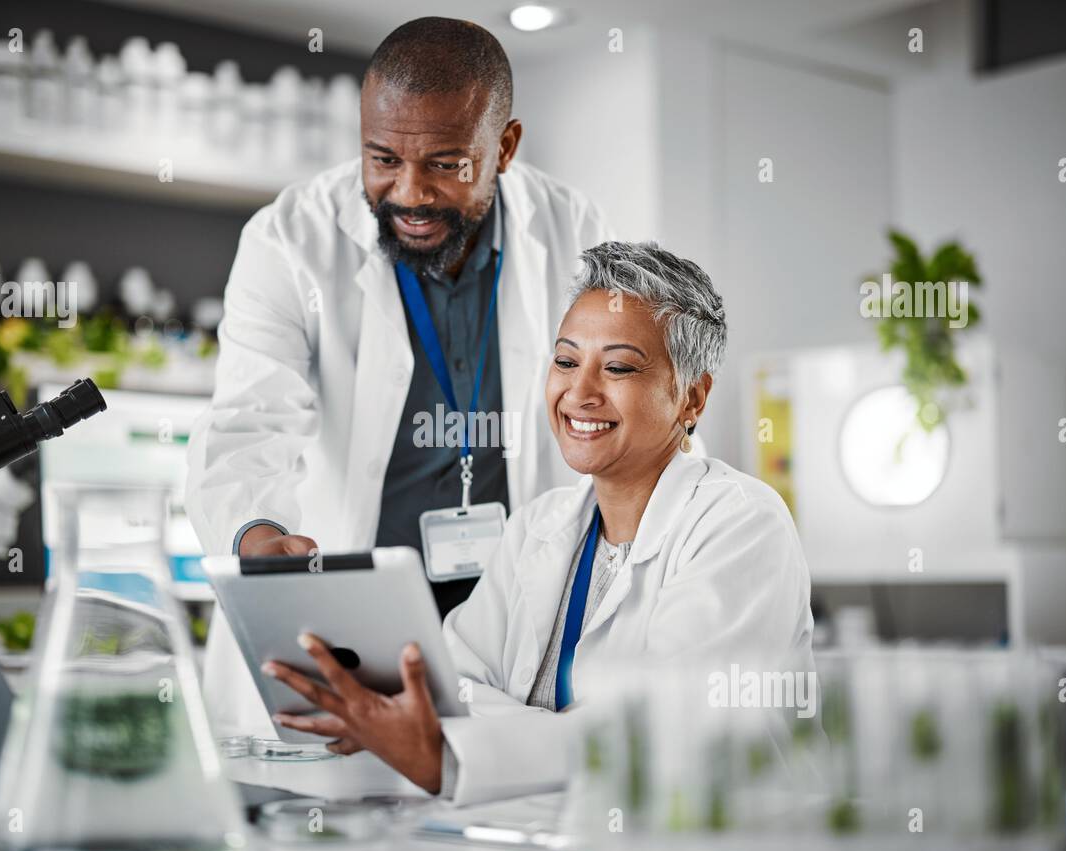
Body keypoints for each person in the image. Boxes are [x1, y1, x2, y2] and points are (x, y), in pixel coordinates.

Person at [265, 241, 817, 805]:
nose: (579, 393)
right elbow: (454, 687)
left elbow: (662, 733)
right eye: (565, 360)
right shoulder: (538, 527)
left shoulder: (741, 523)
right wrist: (540, 731)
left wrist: (467, 746)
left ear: (691, 398)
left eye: (619, 367)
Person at [186, 18, 614, 740]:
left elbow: (609, 416)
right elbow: (248, 422)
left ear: (504, 147)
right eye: (382, 157)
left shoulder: (573, 230)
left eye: (447, 164)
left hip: (509, 630)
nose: (408, 193)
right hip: (349, 623)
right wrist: (256, 531)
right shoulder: (289, 238)